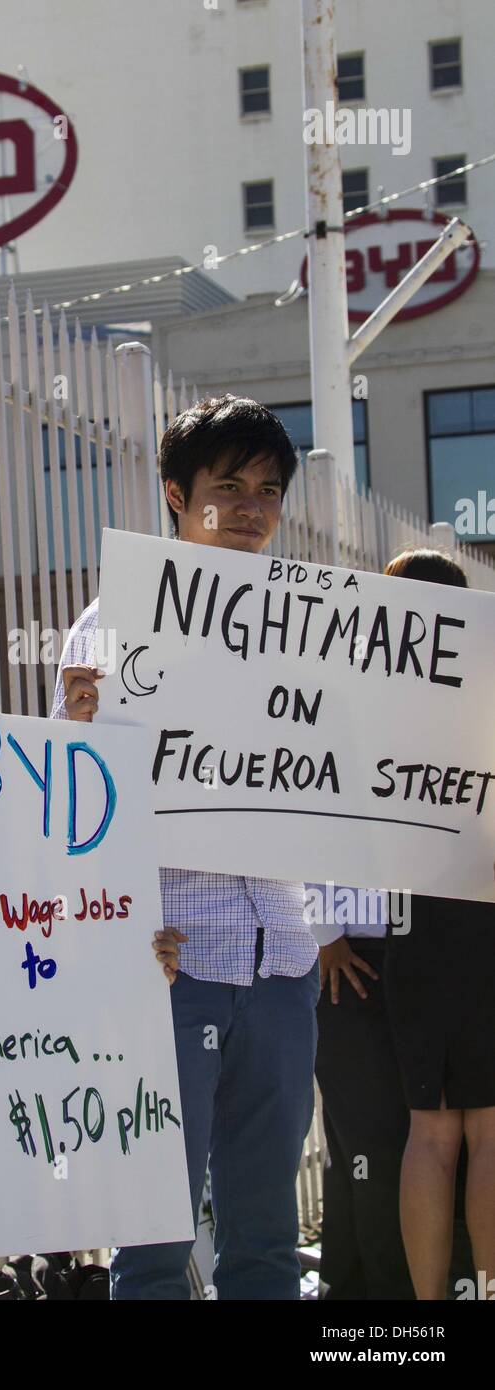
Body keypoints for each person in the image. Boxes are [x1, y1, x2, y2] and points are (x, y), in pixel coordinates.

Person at [53, 395, 320, 1299]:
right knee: (157, 1244)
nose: (249, 508)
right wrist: (78, 730)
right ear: (176, 493)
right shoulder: (110, 625)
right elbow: (73, 815)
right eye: (227, 487)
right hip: (170, 966)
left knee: (267, 1238)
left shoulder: (317, 629)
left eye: (269, 489)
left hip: (284, 960)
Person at [381, 546, 495, 1301]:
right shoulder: (483, 690)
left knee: (432, 1130)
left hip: (408, 922)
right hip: (483, 912)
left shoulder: (371, 698)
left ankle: (429, 1317)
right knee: (487, 1132)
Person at [312, 884, 416, 1298]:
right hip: (351, 952)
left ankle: (352, 1286)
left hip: (413, 948)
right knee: (371, 1148)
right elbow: (308, 834)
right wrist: (326, 934)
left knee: (362, 1147)